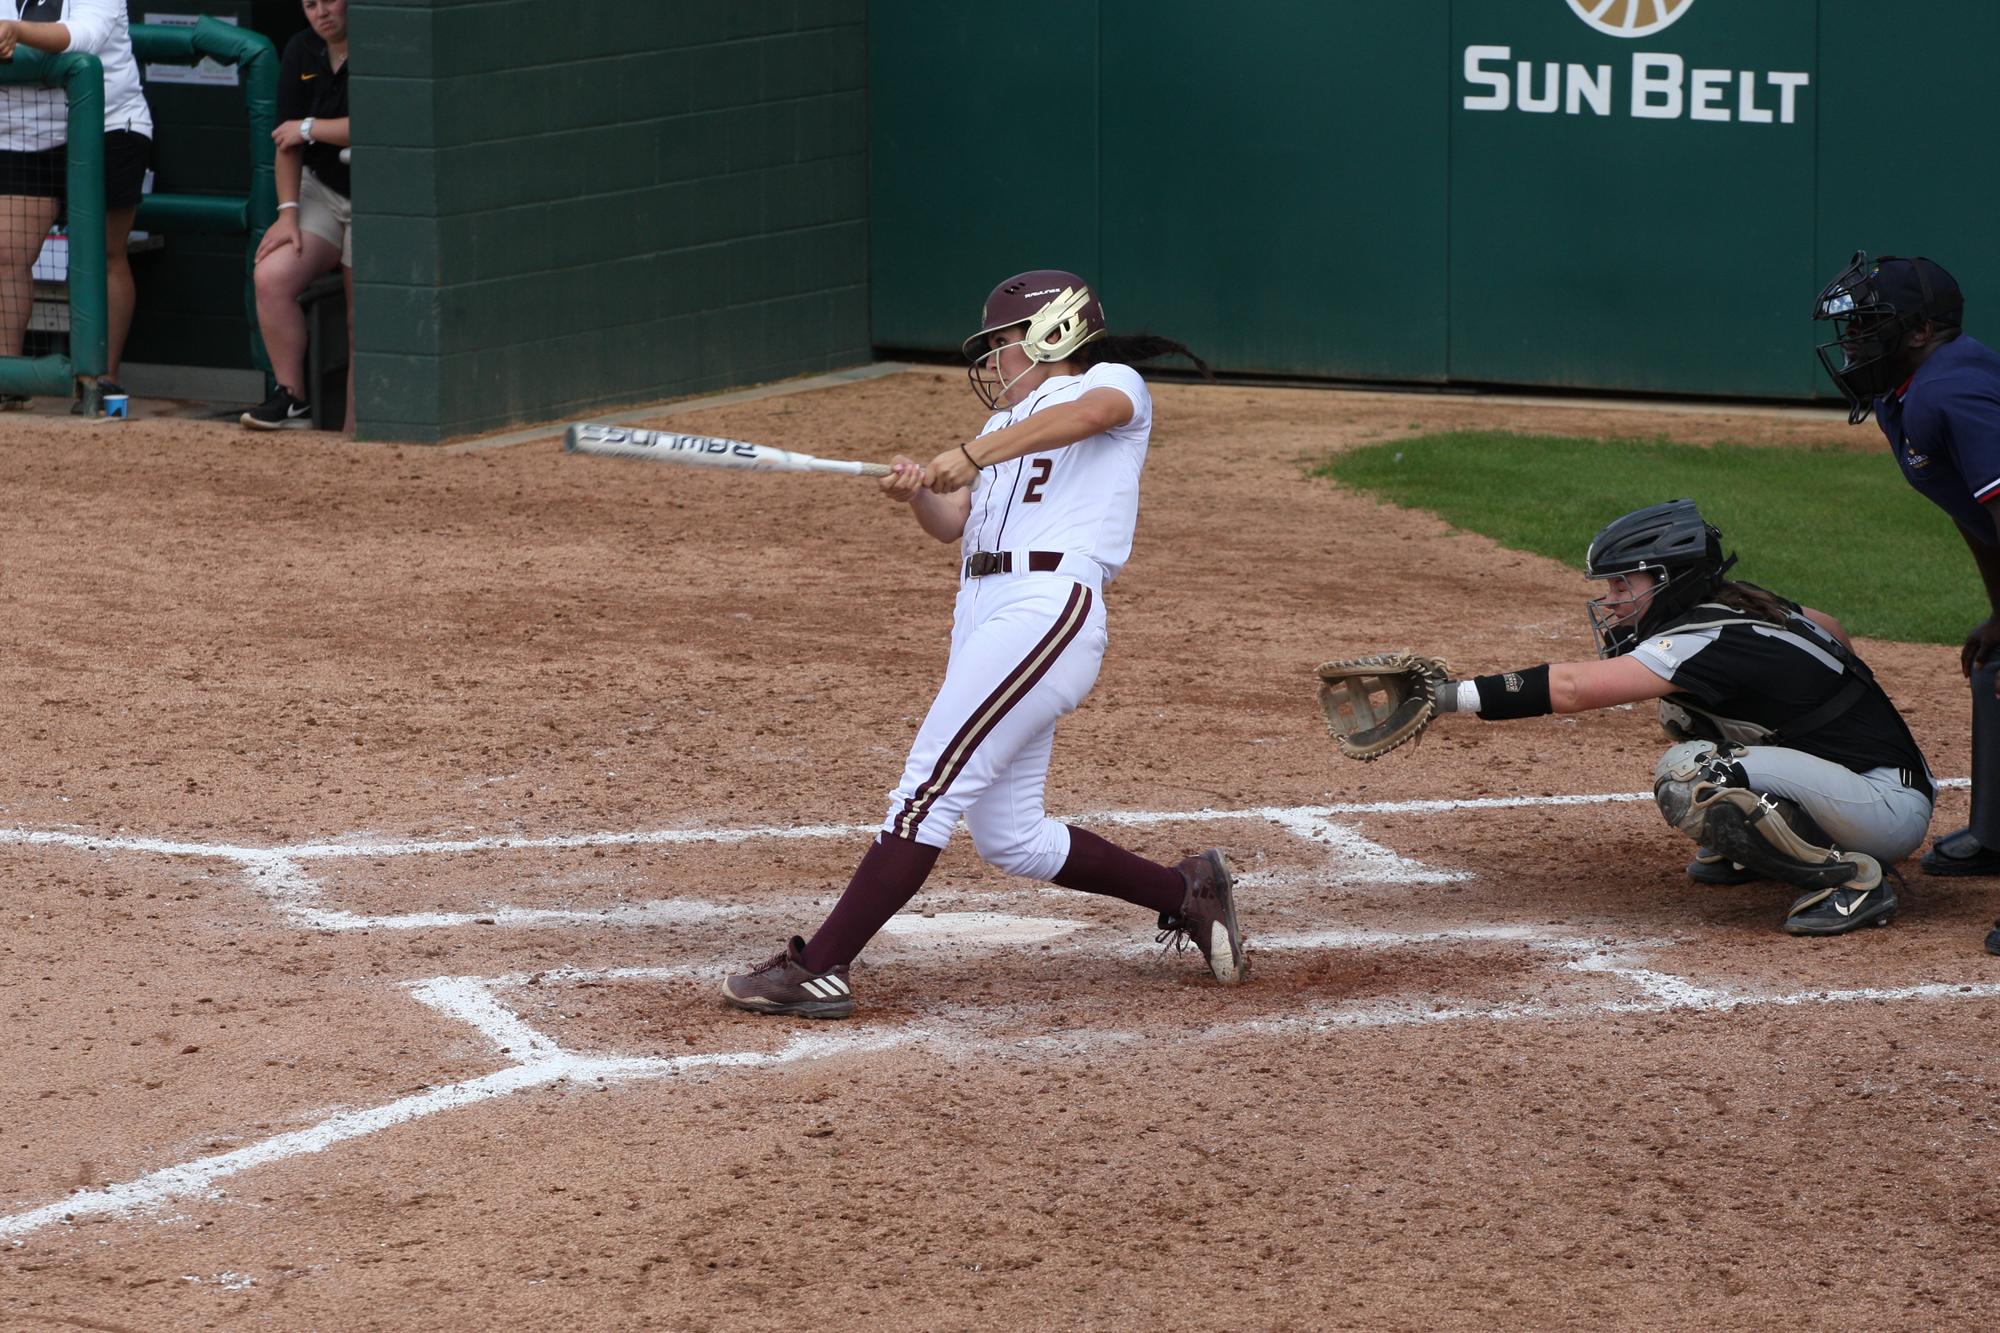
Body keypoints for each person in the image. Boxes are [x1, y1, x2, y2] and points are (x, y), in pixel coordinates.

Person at [721, 269, 1242, 1018]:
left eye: (1001, 343)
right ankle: (1186, 889)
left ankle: (822, 963)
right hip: (985, 609)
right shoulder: (1002, 428)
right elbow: (953, 525)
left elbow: (1088, 415)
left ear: (1049, 336)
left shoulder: (1110, 385)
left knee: (925, 789)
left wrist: (970, 452)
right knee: (1011, 836)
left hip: (1046, 606)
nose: (992, 360)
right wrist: (920, 491)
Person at [1423, 499, 1934, 937]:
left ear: (1669, 581)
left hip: (1884, 806)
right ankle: (1764, 841)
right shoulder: (1744, 605)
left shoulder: (1704, 639)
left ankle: (1850, 878)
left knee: (1692, 774)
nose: (1612, 600)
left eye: (1625, 586)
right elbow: (1834, 631)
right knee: (1684, 714)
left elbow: (1573, 689)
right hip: (1869, 784)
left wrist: (1447, 697)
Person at [1813, 251, 2000, 956]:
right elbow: (1975, 514)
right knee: (1993, 668)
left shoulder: (1953, 391)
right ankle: (1994, 836)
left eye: (1866, 327)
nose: (1853, 344)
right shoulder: (1908, 392)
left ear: (1919, 329)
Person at [0, 0, 153, 408]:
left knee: (103, 254)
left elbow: (79, 40)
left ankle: (100, 381)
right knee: (6, 253)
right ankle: (7, 378)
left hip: (108, 123)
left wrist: (14, 31)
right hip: (25, 128)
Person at [241, 0, 351, 432]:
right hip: (320, 190)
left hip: (377, 199)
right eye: (310, 4)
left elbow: (379, 122)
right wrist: (287, 214)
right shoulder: (300, 50)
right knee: (271, 274)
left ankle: (355, 430)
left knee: (362, 313)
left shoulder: (381, 43)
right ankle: (293, 400)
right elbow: (283, 140)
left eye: (330, 1)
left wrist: (310, 128)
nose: (321, 12)